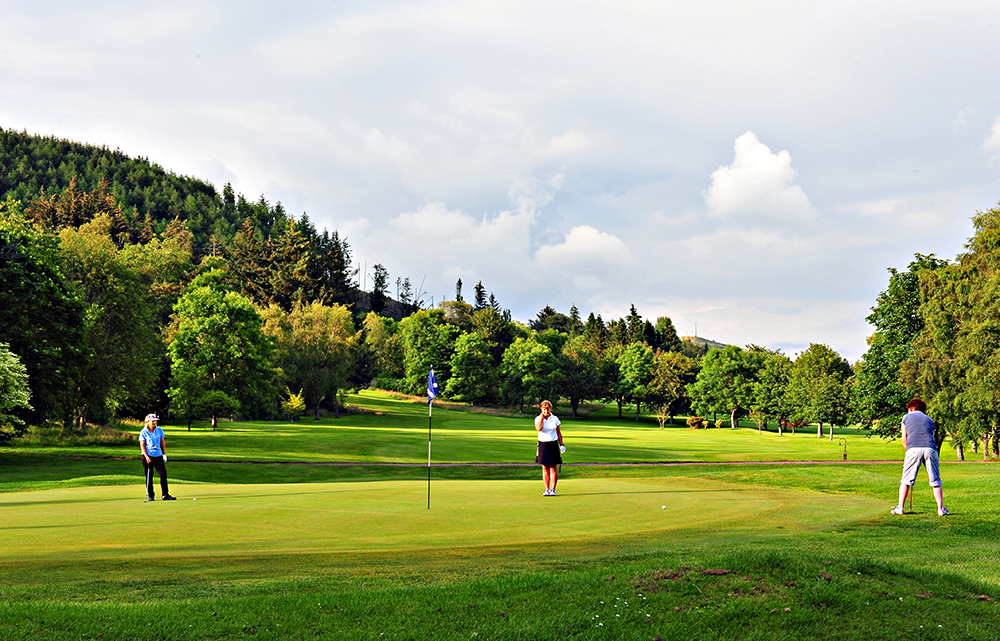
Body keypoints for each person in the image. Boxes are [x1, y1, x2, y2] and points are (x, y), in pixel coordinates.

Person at [891, 399, 948, 516]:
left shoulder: (906, 417)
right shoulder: (929, 420)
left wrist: (909, 452)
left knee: (906, 480)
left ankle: (900, 508)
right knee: (935, 480)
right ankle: (941, 509)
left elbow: (904, 439)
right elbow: (932, 436)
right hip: (931, 449)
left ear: (912, 408)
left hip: (913, 449)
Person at [140, 413, 176, 501]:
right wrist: (146, 456)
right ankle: (151, 495)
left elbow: (162, 442)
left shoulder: (159, 430)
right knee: (149, 476)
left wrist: (164, 454)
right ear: (147, 422)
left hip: (158, 456)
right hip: (148, 457)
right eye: (153, 421)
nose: (154, 423)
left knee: (163, 474)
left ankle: (165, 494)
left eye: (155, 421)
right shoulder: (143, 432)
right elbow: (142, 445)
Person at [534, 400, 565, 496]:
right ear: (541, 409)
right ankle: (546, 489)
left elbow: (558, 432)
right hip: (543, 445)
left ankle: (553, 489)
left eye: (547, 409)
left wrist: (562, 444)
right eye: (544, 409)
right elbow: (539, 428)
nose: (546, 411)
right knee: (545, 467)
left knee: (553, 468)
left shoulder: (555, 419)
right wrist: (542, 418)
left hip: (553, 444)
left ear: (550, 409)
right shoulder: (538, 418)